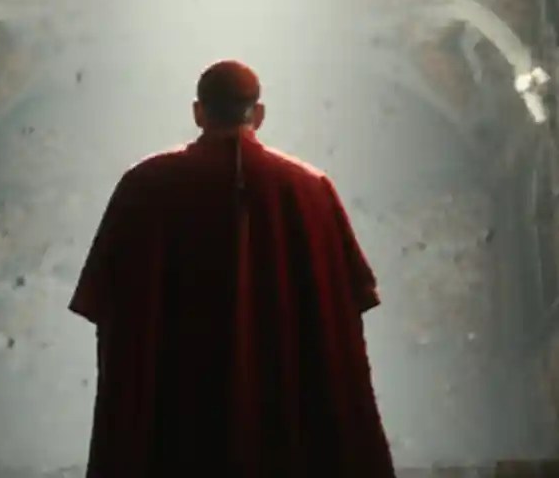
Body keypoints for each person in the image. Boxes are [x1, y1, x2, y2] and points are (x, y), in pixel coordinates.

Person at [70, 60, 396, 477]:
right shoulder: (311, 190)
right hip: (286, 422)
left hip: (175, 424)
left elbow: (105, 300)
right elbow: (346, 306)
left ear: (198, 112)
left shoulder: (144, 185)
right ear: (258, 114)